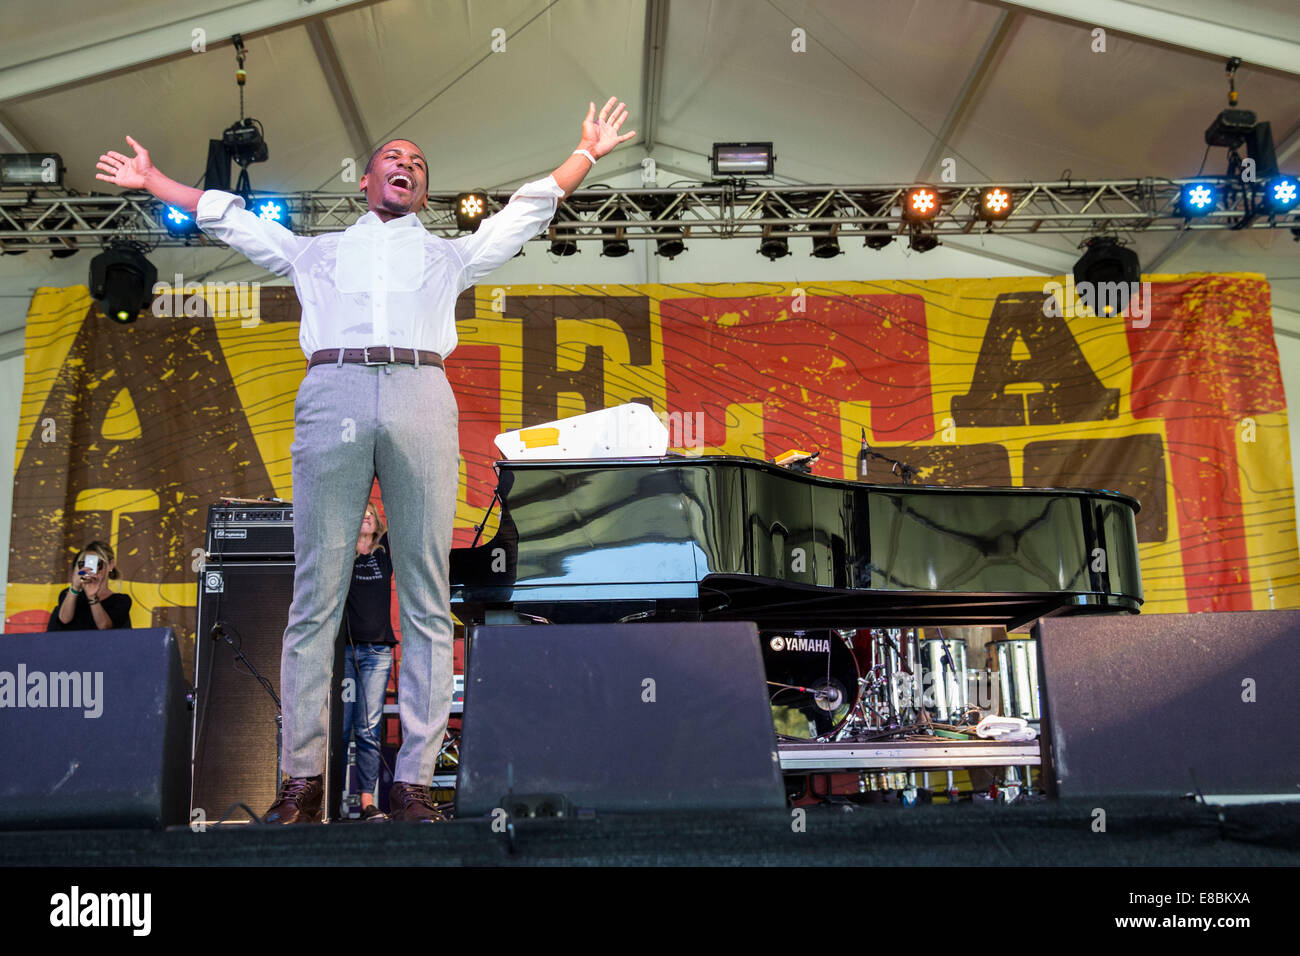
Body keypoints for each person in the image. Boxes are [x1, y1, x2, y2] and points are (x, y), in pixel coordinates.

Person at [96, 97, 634, 822]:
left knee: (424, 591)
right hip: (334, 388)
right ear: (365, 181)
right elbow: (231, 217)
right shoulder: (317, 250)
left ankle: (411, 782)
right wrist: (157, 182)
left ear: (424, 189)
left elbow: (523, 213)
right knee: (316, 594)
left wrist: (586, 155)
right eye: (393, 158)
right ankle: (301, 781)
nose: (405, 166)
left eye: (417, 163)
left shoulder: (447, 253)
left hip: (420, 390)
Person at [341, 502, 396, 821]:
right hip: (346, 651)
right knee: (342, 726)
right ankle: (330, 798)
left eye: (370, 513)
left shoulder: (384, 551)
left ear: (377, 523)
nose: (365, 515)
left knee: (367, 728)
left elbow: (400, 509)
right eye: (360, 510)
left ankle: (366, 802)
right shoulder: (343, 551)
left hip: (376, 653)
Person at [48, 541, 133, 631]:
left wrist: (92, 597)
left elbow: (105, 627)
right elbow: (64, 620)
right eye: (83, 565)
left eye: (97, 564)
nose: (91, 570)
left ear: (110, 565)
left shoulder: (121, 601)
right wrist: (75, 588)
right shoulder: (68, 595)